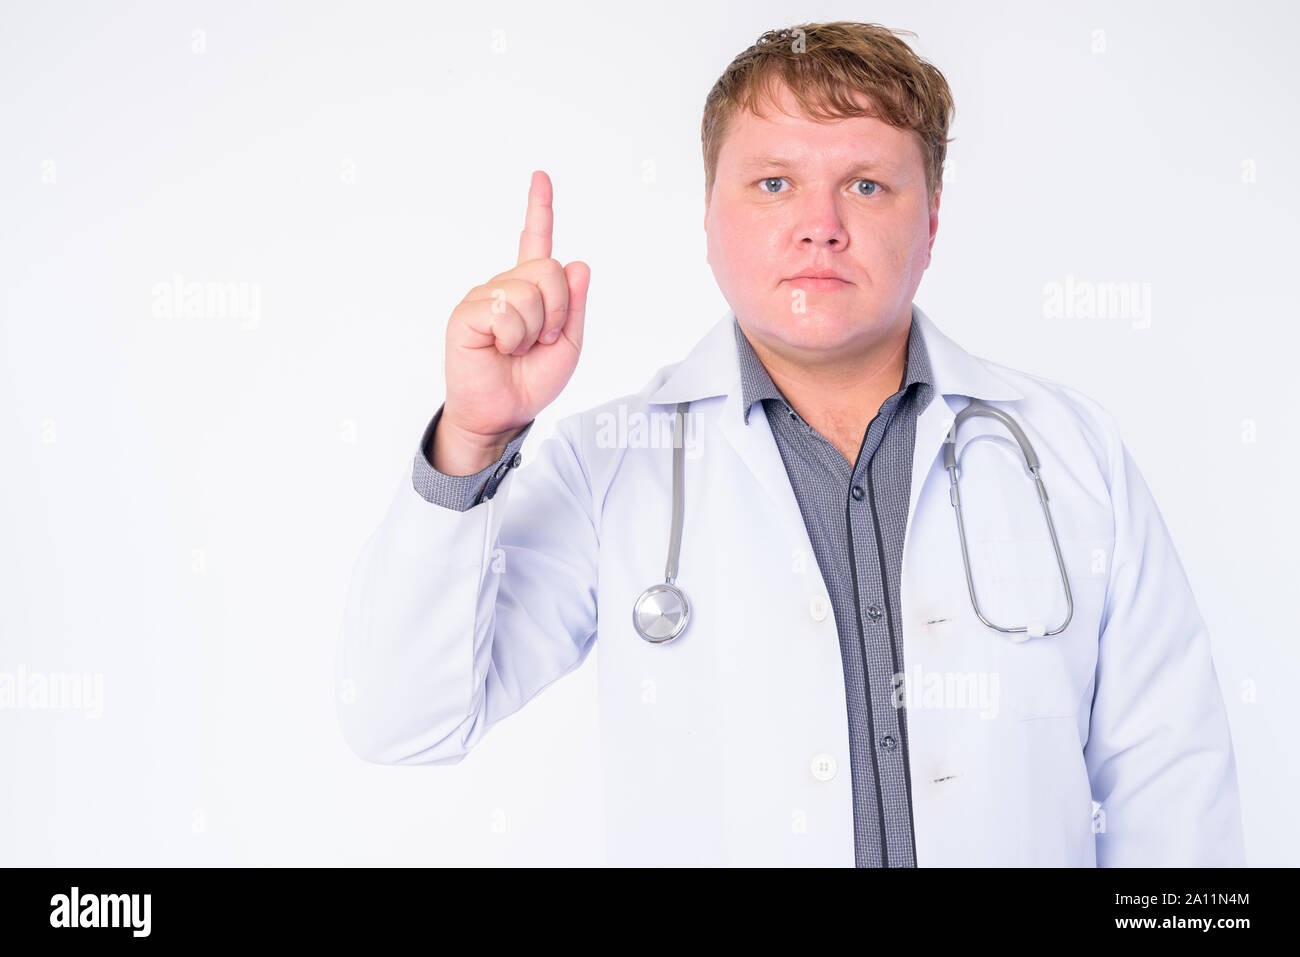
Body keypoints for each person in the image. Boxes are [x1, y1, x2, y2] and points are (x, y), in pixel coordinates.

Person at [335, 21, 1246, 867]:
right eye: (774, 183)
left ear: (930, 221)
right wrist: (476, 436)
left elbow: (1173, 791)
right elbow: (404, 719)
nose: (822, 223)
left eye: (867, 184)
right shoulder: (609, 464)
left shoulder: (1068, 450)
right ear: (707, 220)